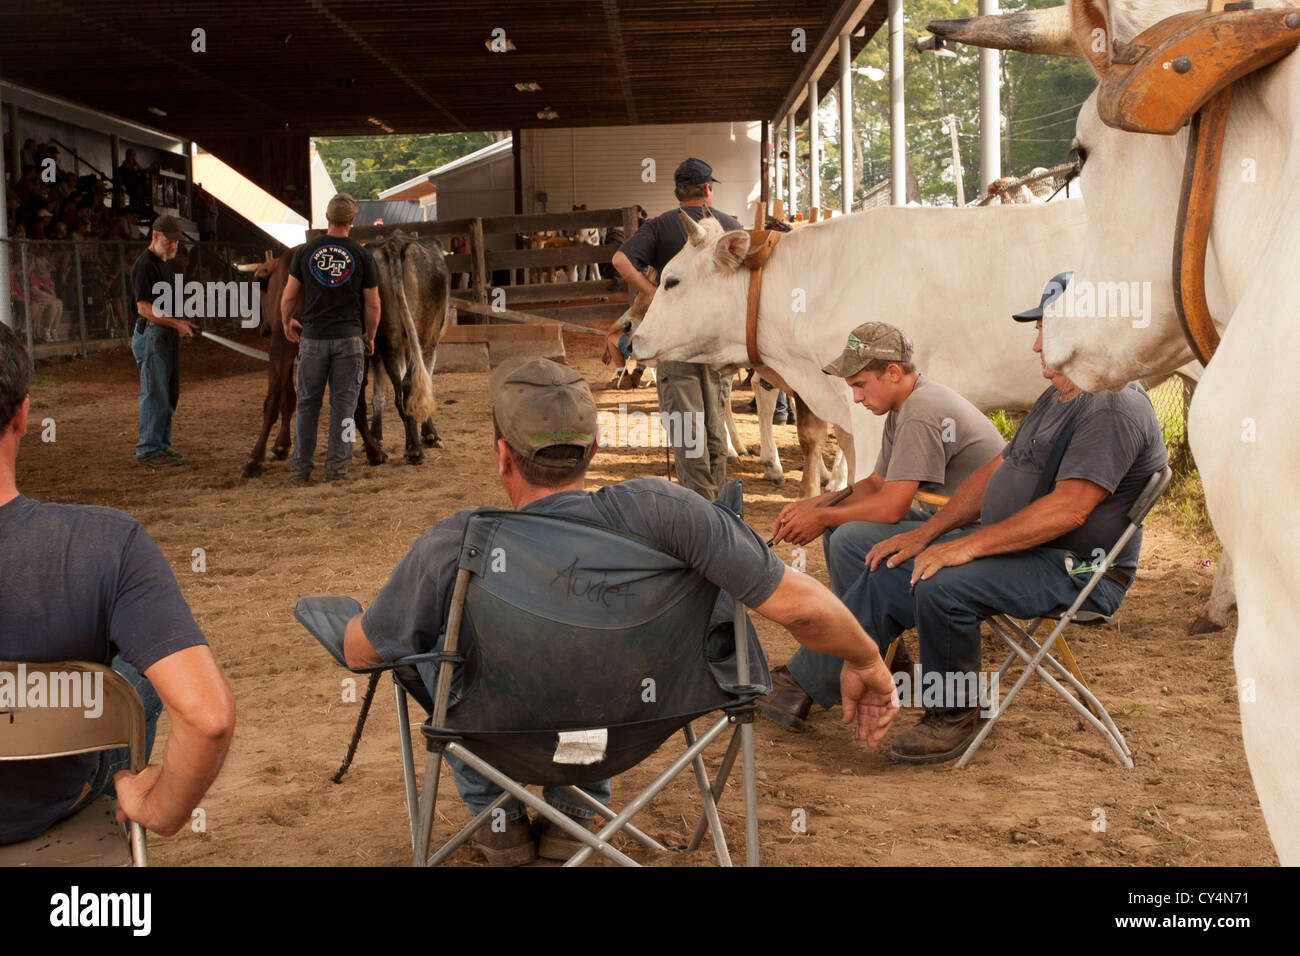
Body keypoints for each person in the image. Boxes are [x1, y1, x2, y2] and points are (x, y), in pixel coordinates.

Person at [340, 357, 900, 864]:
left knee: (443, 661)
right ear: (595, 446)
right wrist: (866, 660)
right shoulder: (672, 512)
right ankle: (578, 812)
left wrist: (340, 619)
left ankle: (499, 820)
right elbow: (803, 609)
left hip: (498, 732)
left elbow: (364, 653)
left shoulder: (456, 543)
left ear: (502, 454)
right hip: (633, 729)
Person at [792, 274, 1168, 765]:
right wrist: (929, 533)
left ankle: (957, 713)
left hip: (1078, 567)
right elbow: (998, 469)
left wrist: (967, 545)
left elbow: (1070, 507)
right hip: (1030, 551)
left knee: (943, 582)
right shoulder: (1063, 394)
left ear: (1086, 333)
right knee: (890, 568)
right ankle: (802, 683)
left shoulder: (1112, 404)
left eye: (1047, 332)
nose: (1036, 345)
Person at [0, 324, 236, 845]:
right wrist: (160, 807)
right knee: (140, 667)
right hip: (53, 807)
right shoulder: (109, 544)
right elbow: (208, 718)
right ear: (22, 414)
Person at [762, 322, 1007, 731]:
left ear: (893, 372)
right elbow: (876, 484)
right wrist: (817, 502)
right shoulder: (909, 403)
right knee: (846, 538)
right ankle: (889, 659)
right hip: (949, 524)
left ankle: (808, 679)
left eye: (860, 384)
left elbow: (892, 507)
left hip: (978, 538)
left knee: (847, 535)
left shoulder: (922, 411)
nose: (855, 398)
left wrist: (821, 517)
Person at [608, 158, 739, 500]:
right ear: (707, 191)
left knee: (688, 433)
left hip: (675, 345)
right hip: (718, 345)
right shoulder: (728, 226)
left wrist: (653, 294)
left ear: (678, 193)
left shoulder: (662, 225)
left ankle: (702, 510)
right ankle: (721, 509)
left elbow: (620, 260)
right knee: (715, 429)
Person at [281, 192, 379, 483]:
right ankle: (337, 468)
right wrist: (370, 336)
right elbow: (373, 304)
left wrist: (287, 321)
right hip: (348, 339)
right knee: (345, 407)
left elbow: (288, 297)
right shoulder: (362, 255)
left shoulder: (304, 252)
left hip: (312, 339)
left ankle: (300, 467)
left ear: (327, 218)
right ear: (351, 220)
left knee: (308, 404)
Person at [130, 214, 196, 466]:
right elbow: (144, 308)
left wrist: (181, 322)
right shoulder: (144, 265)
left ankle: (160, 445)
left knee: (168, 392)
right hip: (151, 335)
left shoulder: (164, 265)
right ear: (155, 236)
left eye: (176, 242)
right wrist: (176, 323)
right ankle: (148, 449)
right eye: (170, 241)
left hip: (163, 335)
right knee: (155, 391)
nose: (174, 246)